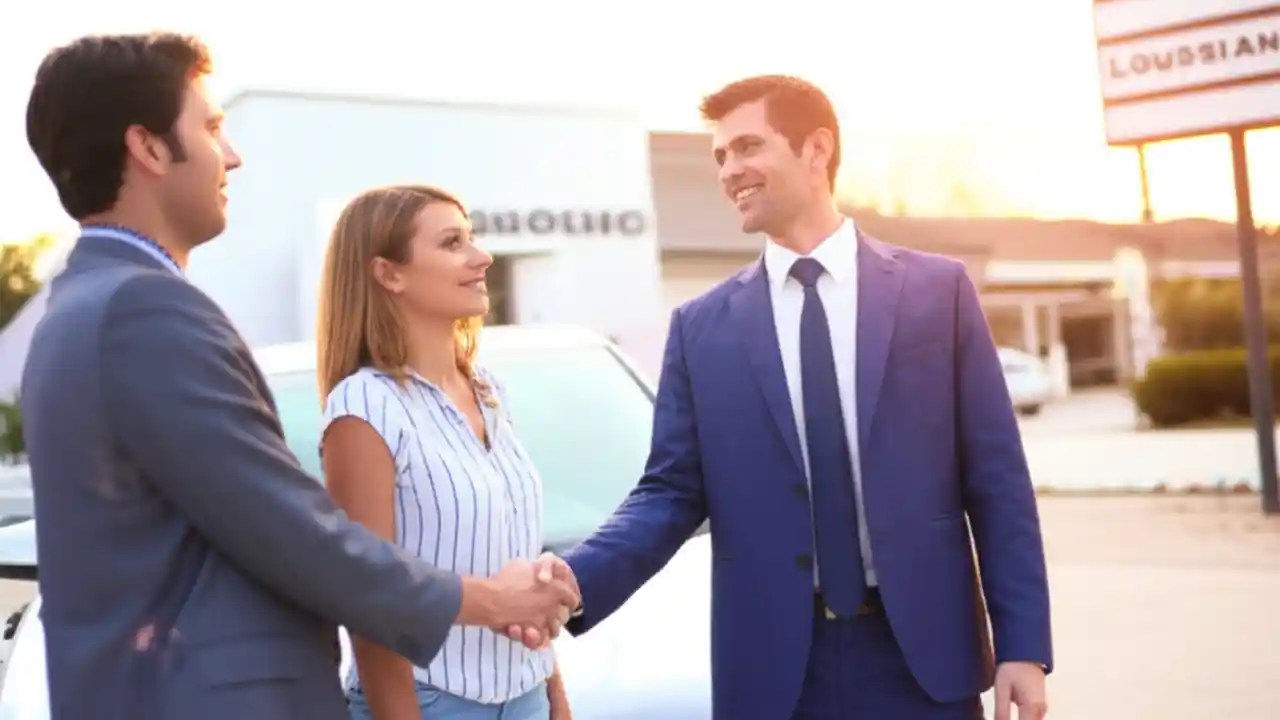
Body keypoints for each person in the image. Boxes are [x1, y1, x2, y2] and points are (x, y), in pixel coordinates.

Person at [19, 32, 576, 720]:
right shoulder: (143, 310)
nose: (231, 155)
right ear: (149, 148)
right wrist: (489, 599)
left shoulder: (81, 306)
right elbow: (293, 533)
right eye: (212, 128)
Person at [535, 75, 1053, 719]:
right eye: (720, 156)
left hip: (924, 663)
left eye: (747, 147)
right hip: (776, 672)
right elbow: (669, 492)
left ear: (816, 149)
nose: (729, 170)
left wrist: (1022, 646)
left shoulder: (937, 293)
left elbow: (997, 482)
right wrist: (577, 577)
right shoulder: (700, 328)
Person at [315, 184, 572, 719]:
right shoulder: (364, 404)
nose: (483, 257)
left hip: (527, 697)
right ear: (389, 274)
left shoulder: (488, 390)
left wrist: (555, 695)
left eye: (471, 238)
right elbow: (368, 601)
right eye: (453, 243)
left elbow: (513, 562)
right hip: (431, 703)